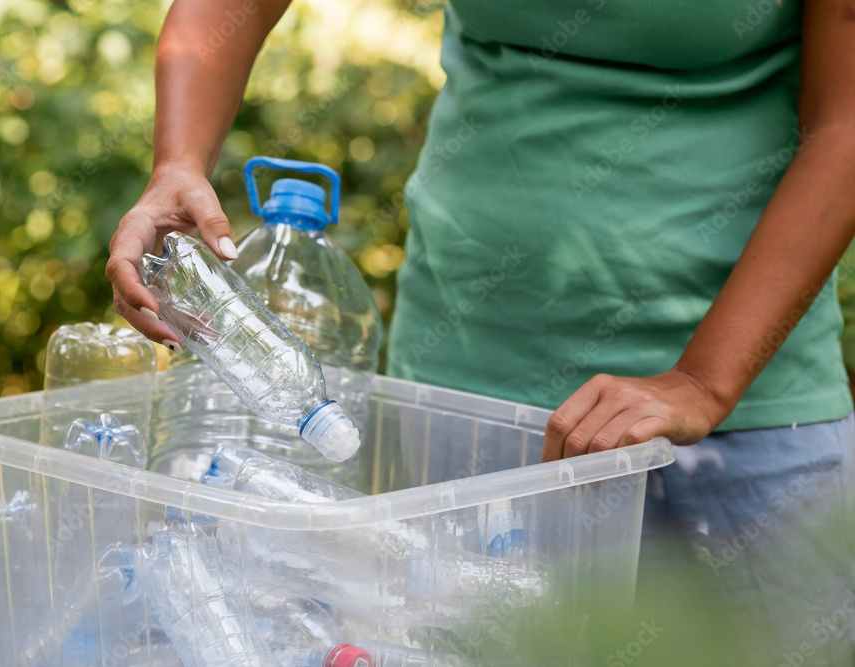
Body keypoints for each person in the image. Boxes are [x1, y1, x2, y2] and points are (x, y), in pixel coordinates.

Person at [109, 0, 855, 662]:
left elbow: (846, 122)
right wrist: (177, 163)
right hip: (467, 413)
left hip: (744, 431)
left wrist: (702, 380)